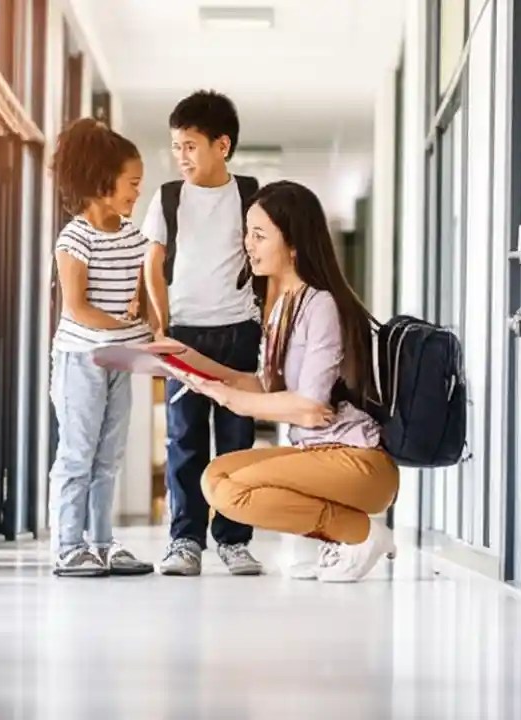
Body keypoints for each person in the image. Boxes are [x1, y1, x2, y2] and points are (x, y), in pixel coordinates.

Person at [150, 180, 399, 582]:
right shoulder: (284, 304)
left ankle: (360, 533)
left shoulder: (321, 305)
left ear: (294, 243)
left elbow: (309, 407)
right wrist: (186, 360)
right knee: (214, 478)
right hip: (317, 455)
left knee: (233, 492)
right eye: (247, 232)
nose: (247, 244)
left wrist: (227, 397)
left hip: (356, 462)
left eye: (259, 234)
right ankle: (340, 534)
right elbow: (264, 388)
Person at [139, 90, 264, 576]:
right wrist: (162, 323)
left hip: (238, 332)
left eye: (190, 145)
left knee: (236, 441)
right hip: (185, 334)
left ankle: (234, 540)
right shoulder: (169, 197)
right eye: (176, 146)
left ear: (222, 145)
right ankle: (184, 540)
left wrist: (268, 325)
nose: (182, 156)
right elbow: (153, 262)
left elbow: (263, 262)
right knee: (184, 440)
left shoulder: (251, 195)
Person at [47, 118, 157, 578]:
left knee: (108, 455)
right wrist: (133, 333)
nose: (137, 193)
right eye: (132, 184)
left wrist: (144, 318)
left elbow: (142, 297)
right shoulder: (75, 238)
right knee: (77, 453)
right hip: (80, 360)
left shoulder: (134, 238)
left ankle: (102, 543)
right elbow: (76, 309)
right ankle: (68, 546)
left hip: (118, 359)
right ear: (101, 183)